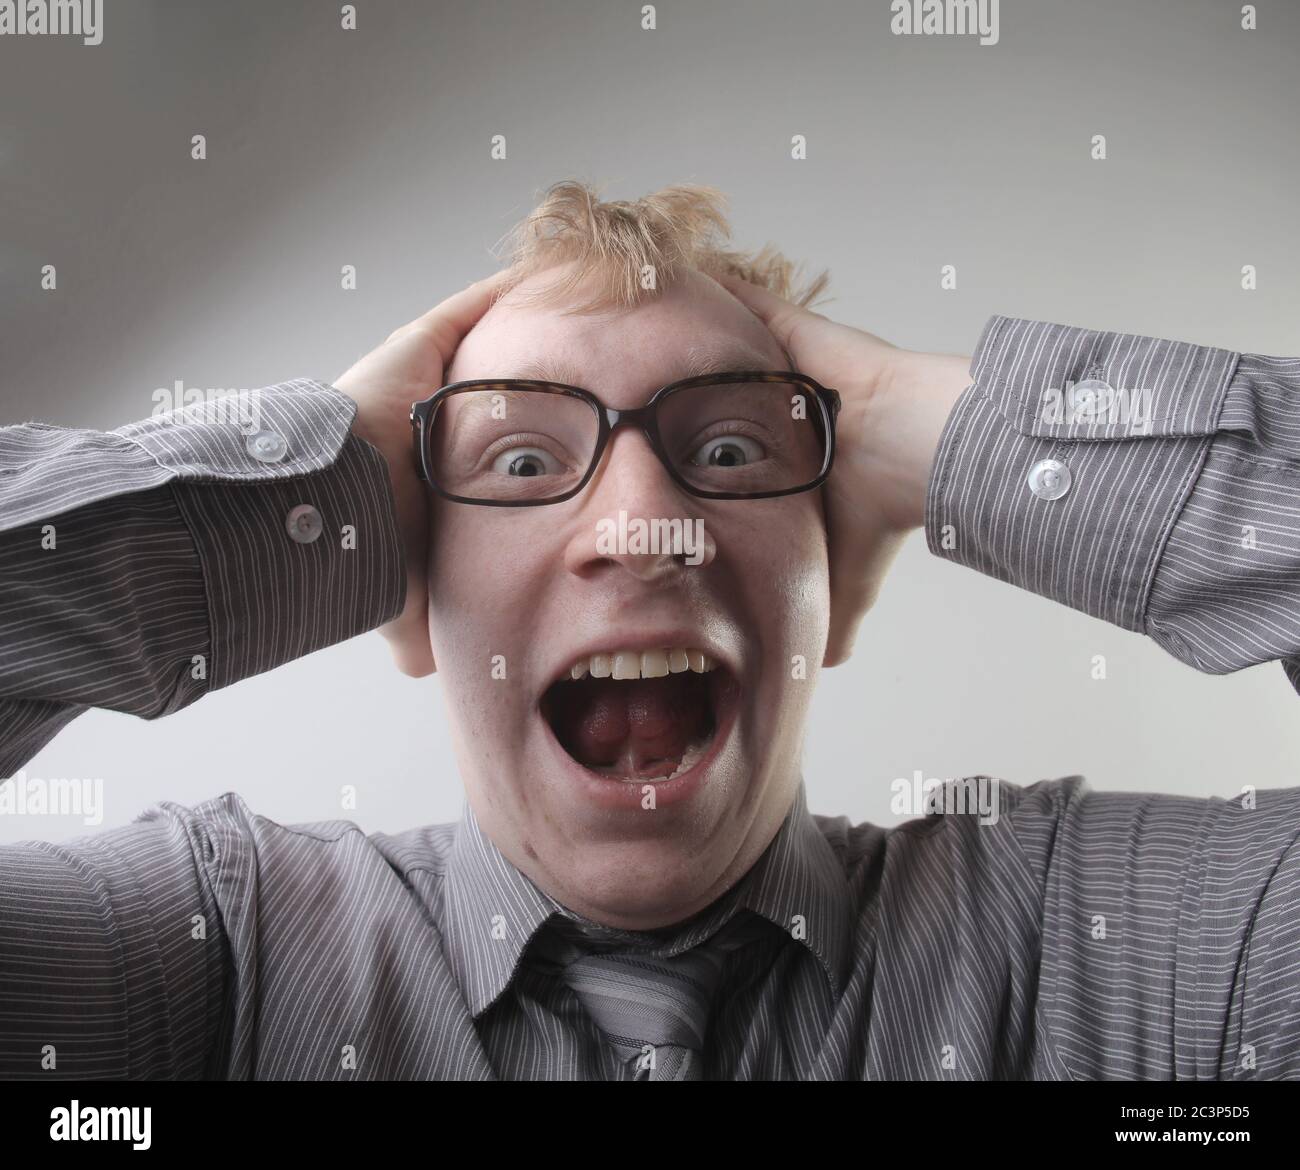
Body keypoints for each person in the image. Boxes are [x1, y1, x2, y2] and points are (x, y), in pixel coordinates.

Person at [1, 181, 1297, 1081]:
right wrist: (307, 494)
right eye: (518, 461)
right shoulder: (215, 954)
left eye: (729, 448)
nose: (643, 527)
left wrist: (937, 426)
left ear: (834, 589)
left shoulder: (1103, 943)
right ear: (405, 597)